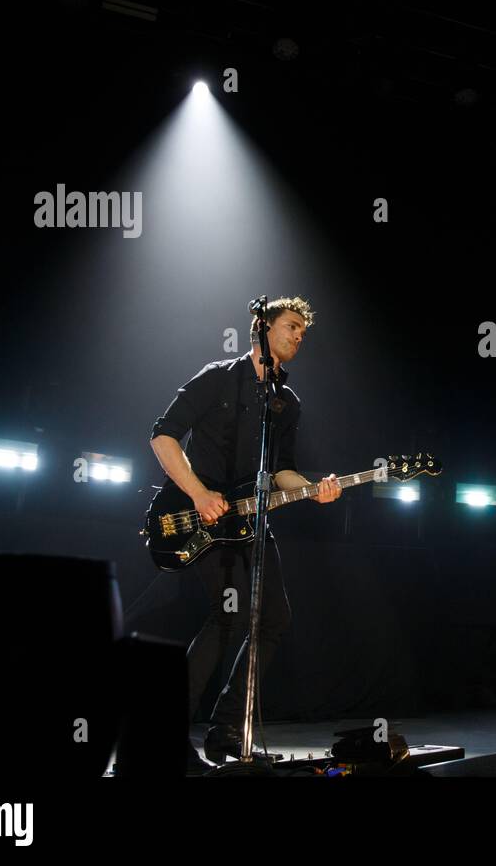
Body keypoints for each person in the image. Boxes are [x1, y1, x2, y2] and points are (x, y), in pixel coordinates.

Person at [149, 295, 341, 771]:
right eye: (292, 326)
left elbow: (282, 472)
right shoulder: (217, 377)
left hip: (252, 522)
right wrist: (197, 494)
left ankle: (227, 727)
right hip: (203, 515)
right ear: (264, 326)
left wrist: (315, 489)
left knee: (273, 618)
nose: (299, 336)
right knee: (227, 617)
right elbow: (163, 435)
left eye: (303, 331)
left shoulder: (286, 402)